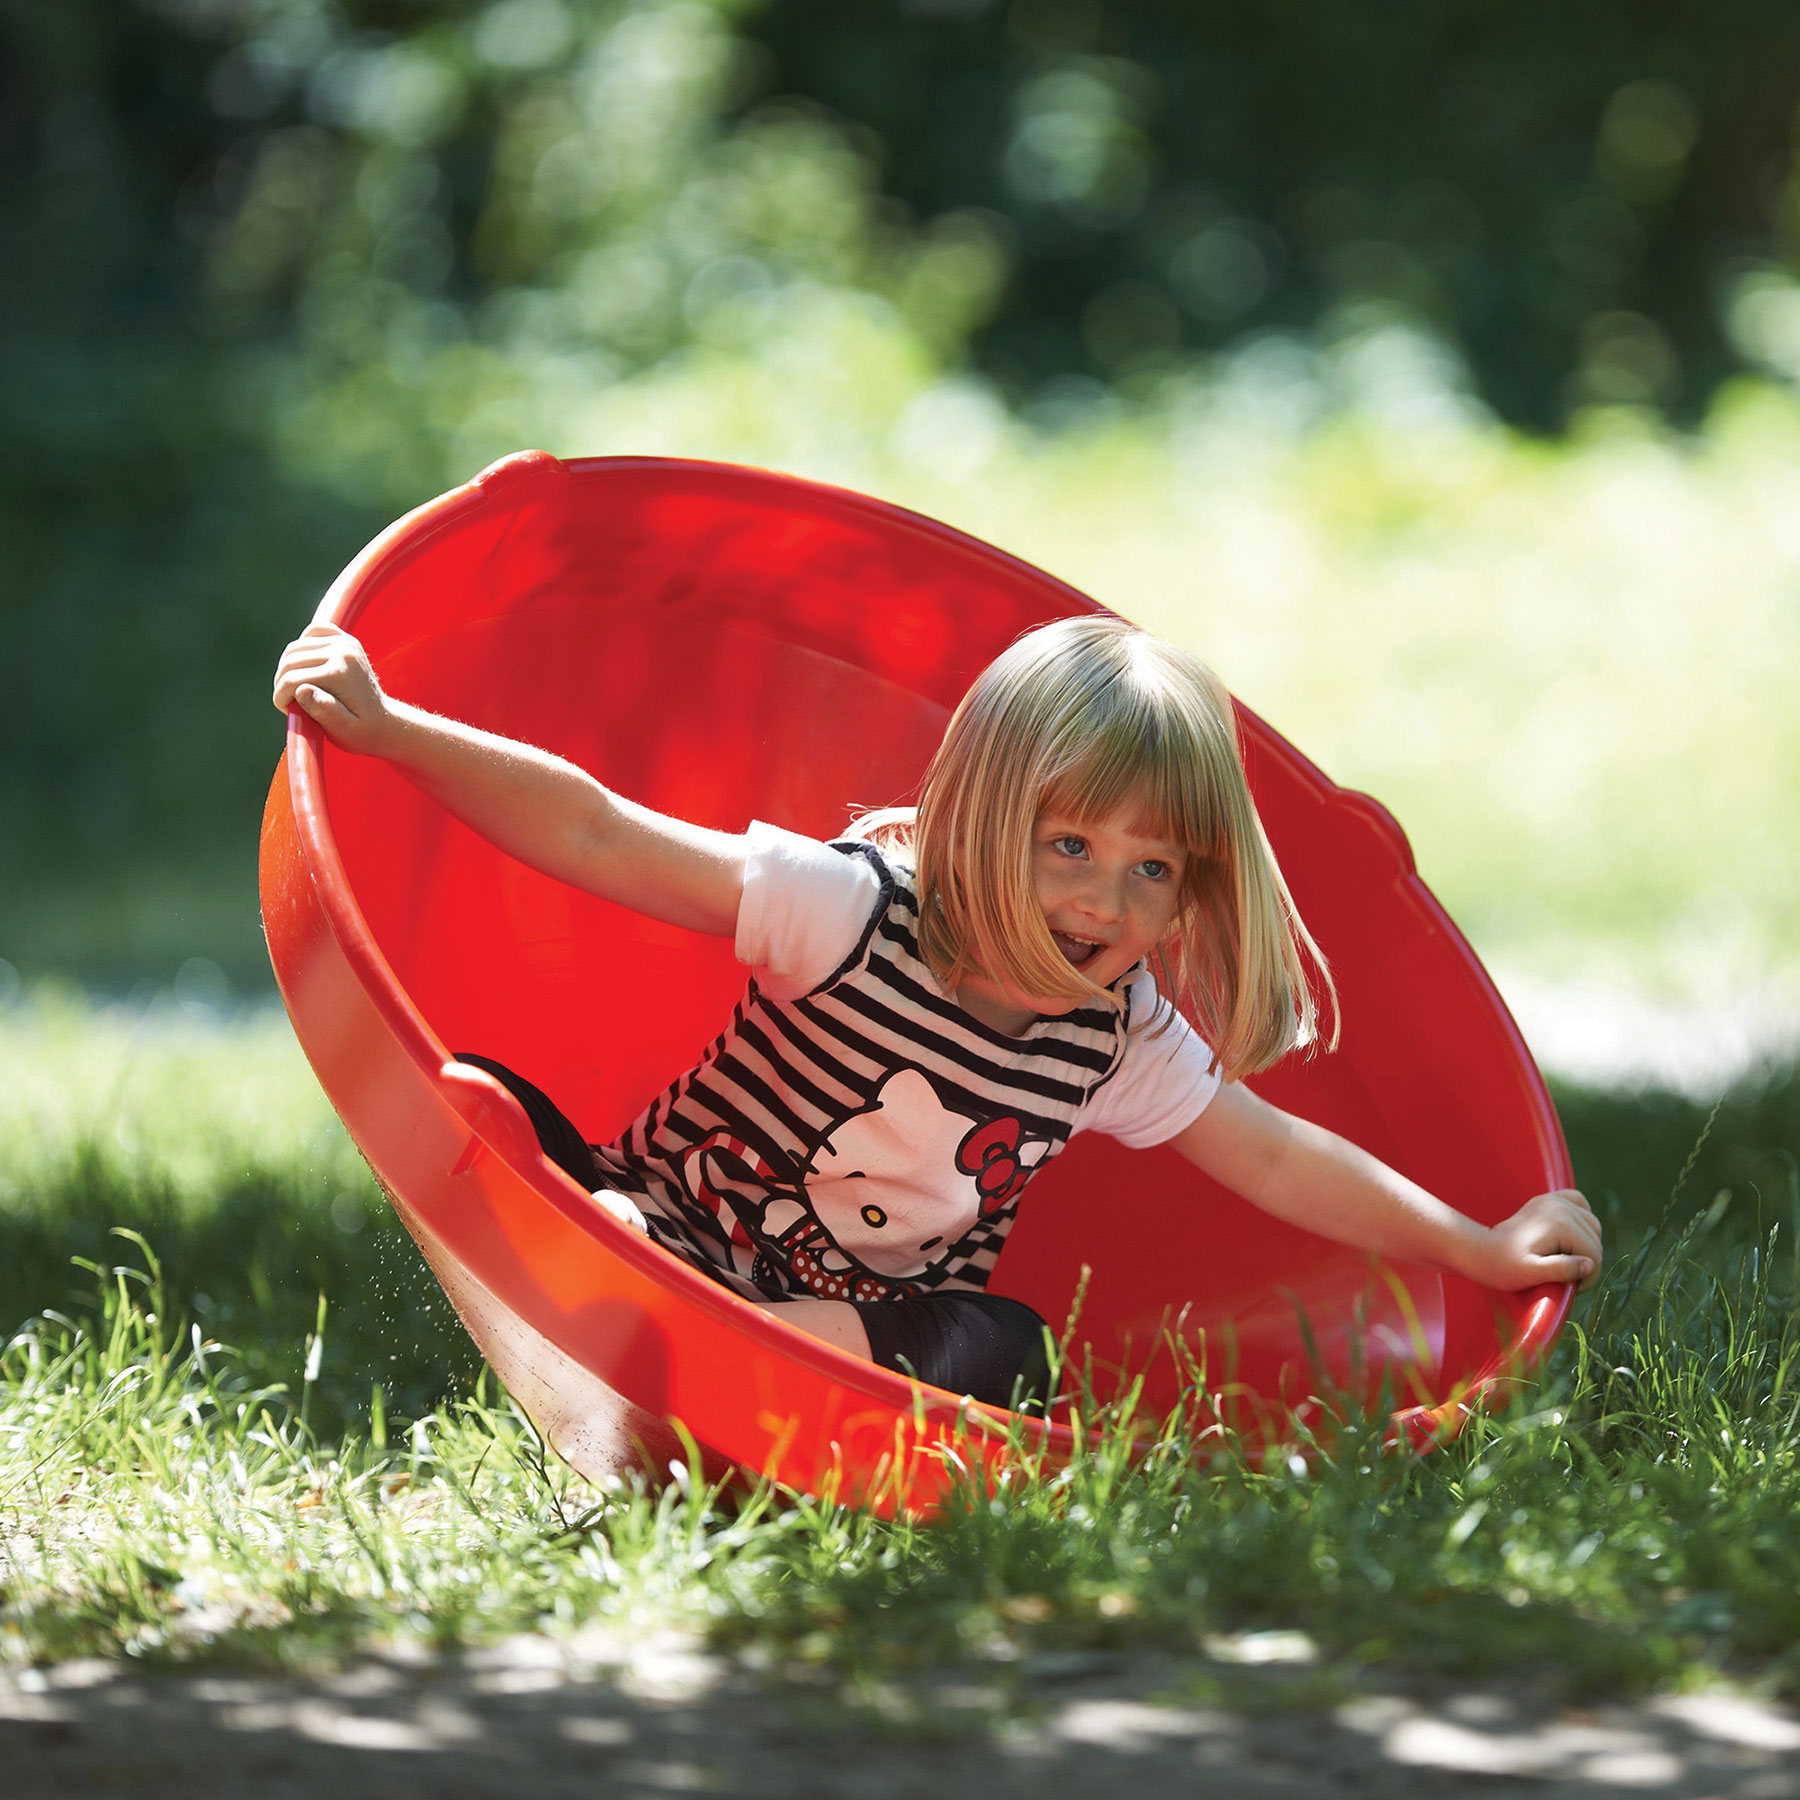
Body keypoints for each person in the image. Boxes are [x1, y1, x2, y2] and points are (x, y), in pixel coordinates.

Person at [272, 612, 1600, 1411]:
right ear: (977, 816)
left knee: (1010, 1347)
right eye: (1068, 846)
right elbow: (601, 832)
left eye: (1155, 870)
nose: (1106, 901)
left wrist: (1478, 1250)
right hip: (670, 1224)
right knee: (515, 1116)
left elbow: (1276, 1157)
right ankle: (631, 1290)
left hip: (853, 1328)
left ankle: (746, 1362)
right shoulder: (851, 909)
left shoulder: (1115, 1032)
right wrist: (393, 728)